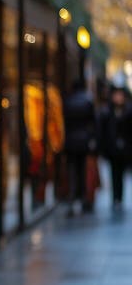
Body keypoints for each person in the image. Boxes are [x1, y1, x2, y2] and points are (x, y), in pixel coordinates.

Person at [63, 79, 97, 216]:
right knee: (83, 170)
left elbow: (65, 122)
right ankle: (83, 198)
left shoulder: (68, 101)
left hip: (71, 141)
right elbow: (93, 122)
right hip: (84, 141)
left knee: (72, 170)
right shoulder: (87, 101)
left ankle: (72, 199)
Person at [98, 85, 132, 210]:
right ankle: (115, 198)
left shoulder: (128, 111)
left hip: (125, 148)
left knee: (121, 173)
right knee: (114, 173)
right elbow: (103, 131)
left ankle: (120, 197)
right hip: (112, 147)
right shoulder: (107, 111)